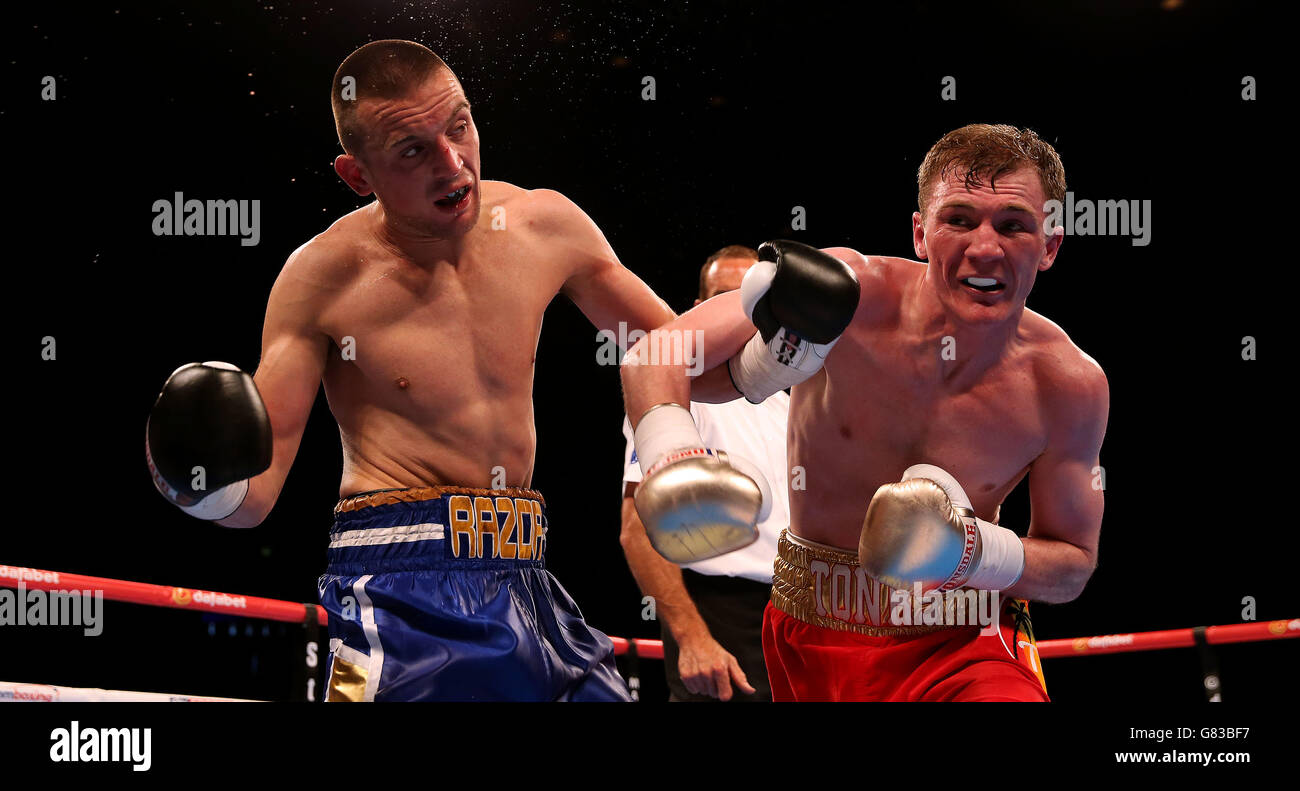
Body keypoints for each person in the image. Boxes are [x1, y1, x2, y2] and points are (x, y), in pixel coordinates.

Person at [145, 39, 687, 701]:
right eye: (412, 150)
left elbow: (672, 347)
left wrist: (773, 340)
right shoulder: (322, 277)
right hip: (401, 591)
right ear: (357, 174)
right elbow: (254, 498)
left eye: (458, 126)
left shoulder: (547, 226)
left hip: (528, 574)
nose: (452, 163)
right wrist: (191, 479)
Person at [621, 124, 1109, 701]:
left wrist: (972, 550)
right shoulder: (849, 295)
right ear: (920, 233)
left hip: (963, 641)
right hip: (813, 635)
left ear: (1049, 245)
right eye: (958, 219)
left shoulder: (1067, 383)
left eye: (1012, 225)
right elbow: (657, 354)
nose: (984, 247)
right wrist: (678, 447)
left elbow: (1073, 565)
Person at [619, 246, 787, 702]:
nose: (736, 312)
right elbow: (637, 529)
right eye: (721, 298)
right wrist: (692, 637)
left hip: (792, 614)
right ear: (699, 311)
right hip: (716, 613)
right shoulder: (672, 397)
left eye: (748, 300)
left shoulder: (787, 407)